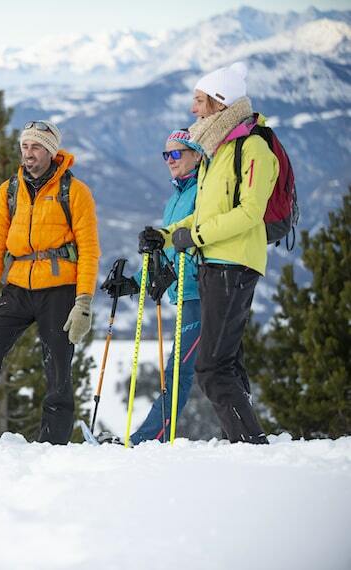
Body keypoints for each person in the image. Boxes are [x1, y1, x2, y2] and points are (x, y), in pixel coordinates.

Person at [139, 61, 278, 444]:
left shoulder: (253, 149)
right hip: (212, 264)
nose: (193, 109)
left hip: (235, 264)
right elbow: (201, 215)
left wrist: (194, 236)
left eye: (199, 100)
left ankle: (249, 444)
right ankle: (245, 440)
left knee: (211, 368)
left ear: (220, 103)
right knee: (226, 364)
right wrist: (164, 236)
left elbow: (250, 213)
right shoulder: (216, 154)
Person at [0, 120, 101, 444]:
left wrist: (83, 302)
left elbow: (89, 250)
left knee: (58, 369)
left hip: (60, 289)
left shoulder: (75, 192)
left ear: (50, 151)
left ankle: (53, 445)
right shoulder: (8, 192)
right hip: (18, 287)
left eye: (36, 147)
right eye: (24, 146)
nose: (28, 153)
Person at [104, 129, 204, 444]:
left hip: (201, 293)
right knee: (223, 367)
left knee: (179, 372)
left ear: (197, 155)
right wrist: (132, 283)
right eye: (166, 155)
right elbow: (168, 256)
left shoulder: (204, 191)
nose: (169, 161)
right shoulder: (176, 198)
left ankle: (147, 439)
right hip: (185, 293)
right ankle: (247, 436)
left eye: (176, 154)